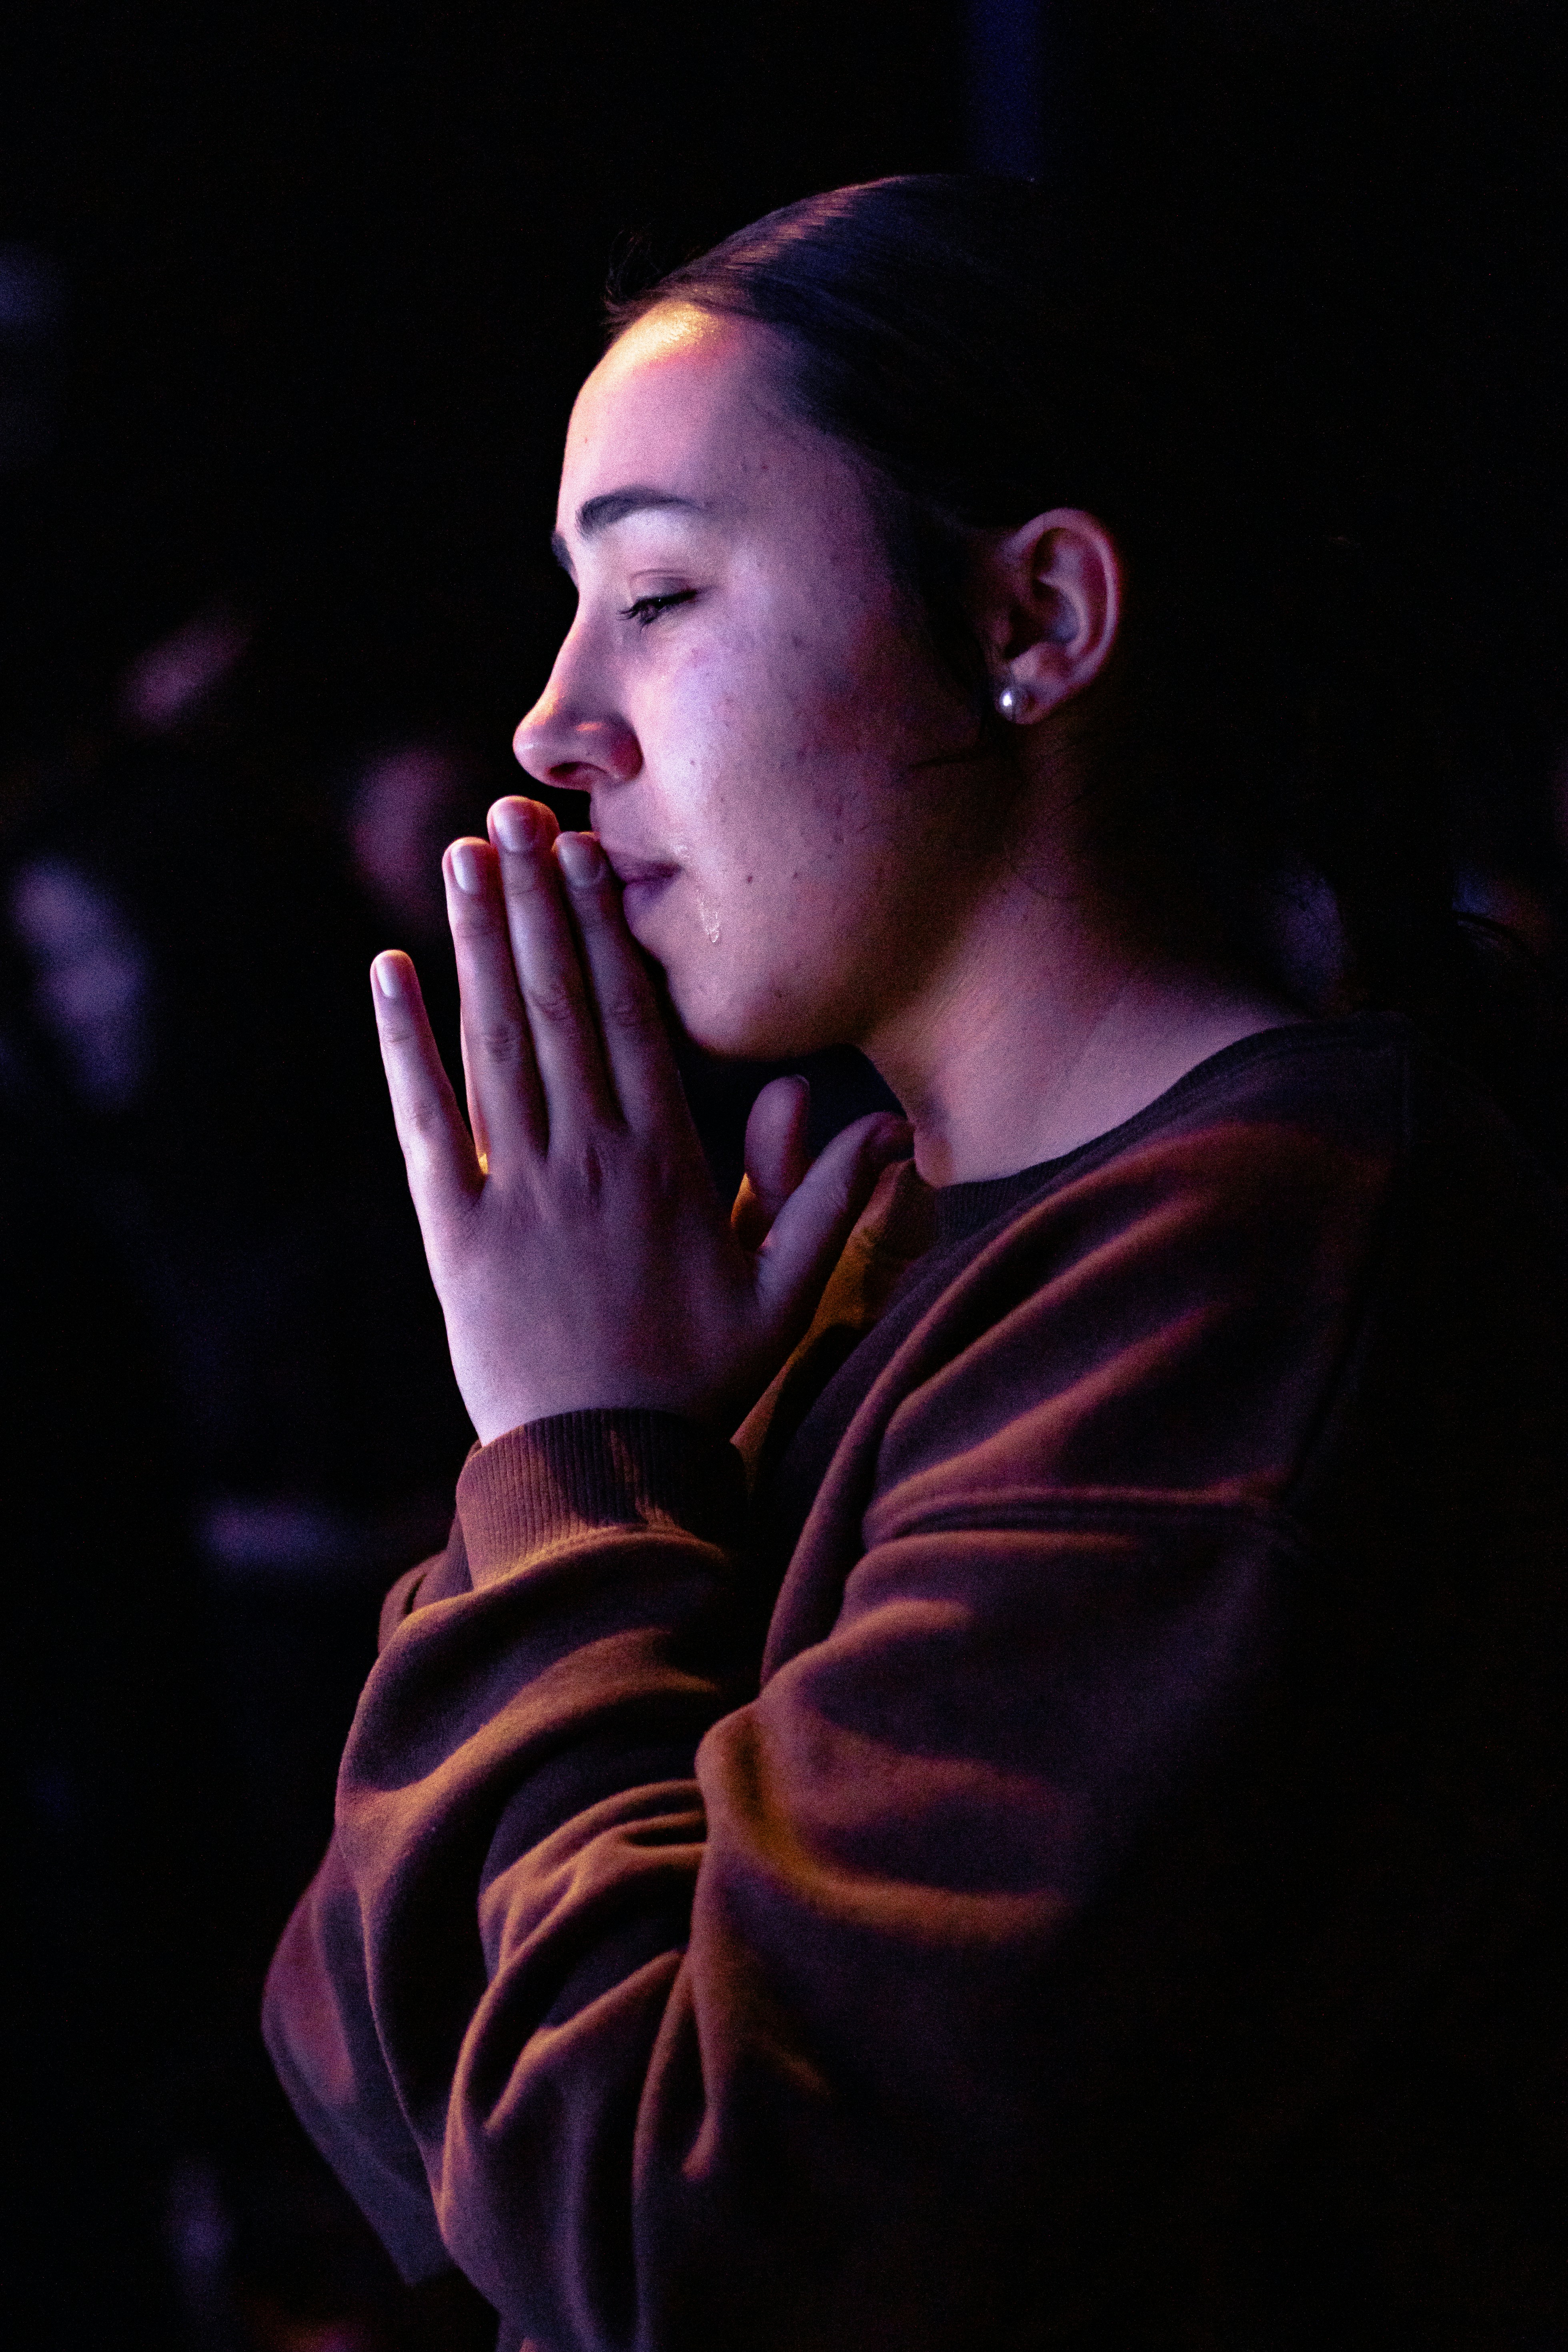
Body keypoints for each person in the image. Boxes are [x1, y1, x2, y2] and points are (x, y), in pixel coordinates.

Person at [264, 178, 1568, 2349]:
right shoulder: (887, 1246)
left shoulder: (1262, 1277)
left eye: (659, 593)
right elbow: (370, 2072)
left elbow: (687, 2246)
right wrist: (633, 1464)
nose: (552, 723)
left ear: (1039, 616)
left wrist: (574, 1464)